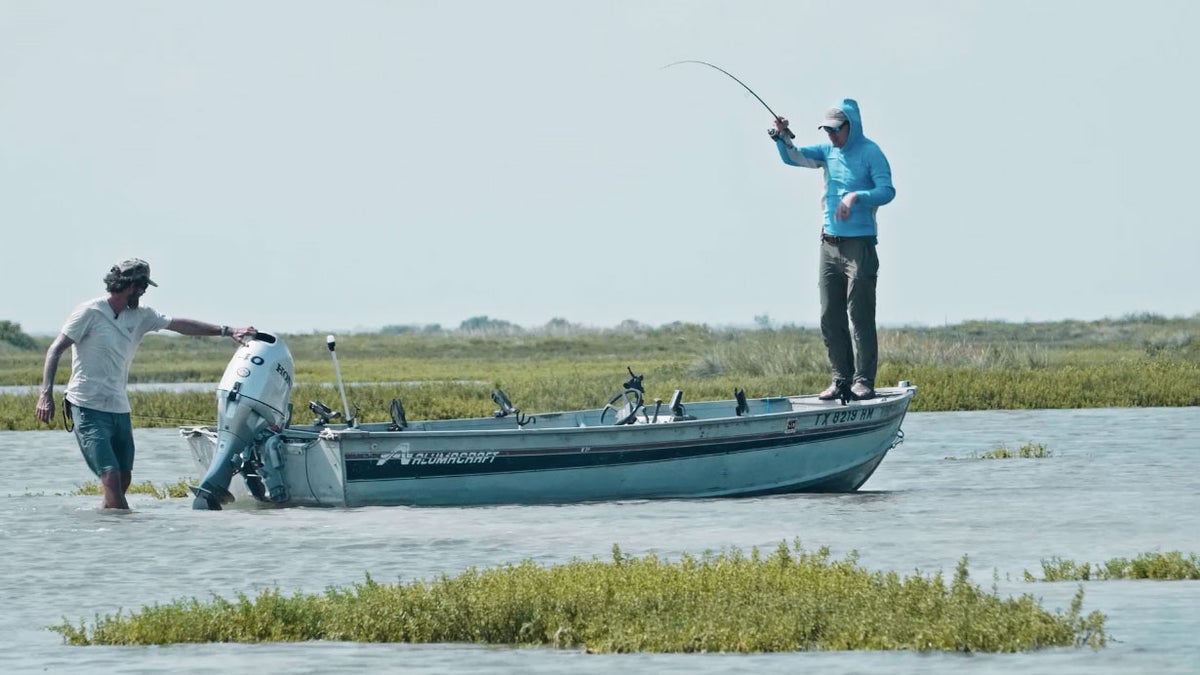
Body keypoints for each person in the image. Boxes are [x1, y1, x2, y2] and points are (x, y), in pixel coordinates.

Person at [34, 258, 256, 510]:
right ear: (130, 285)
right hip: (87, 406)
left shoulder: (141, 316)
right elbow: (55, 350)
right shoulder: (89, 312)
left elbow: (180, 325)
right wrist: (45, 395)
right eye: (142, 287)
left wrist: (227, 330)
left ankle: (107, 521)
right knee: (111, 475)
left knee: (124, 476)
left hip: (118, 407)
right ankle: (125, 530)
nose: (144, 292)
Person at [768, 98, 895, 401]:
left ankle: (863, 380)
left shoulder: (871, 153)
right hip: (828, 245)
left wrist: (855, 198)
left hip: (859, 245)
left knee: (860, 315)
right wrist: (781, 137)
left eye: (837, 130)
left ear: (851, 126)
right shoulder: (827, 152)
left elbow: (887, 191)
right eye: (827, 131)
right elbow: (793, 157)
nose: (832, 136)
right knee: (829, 315)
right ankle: (841, 379)